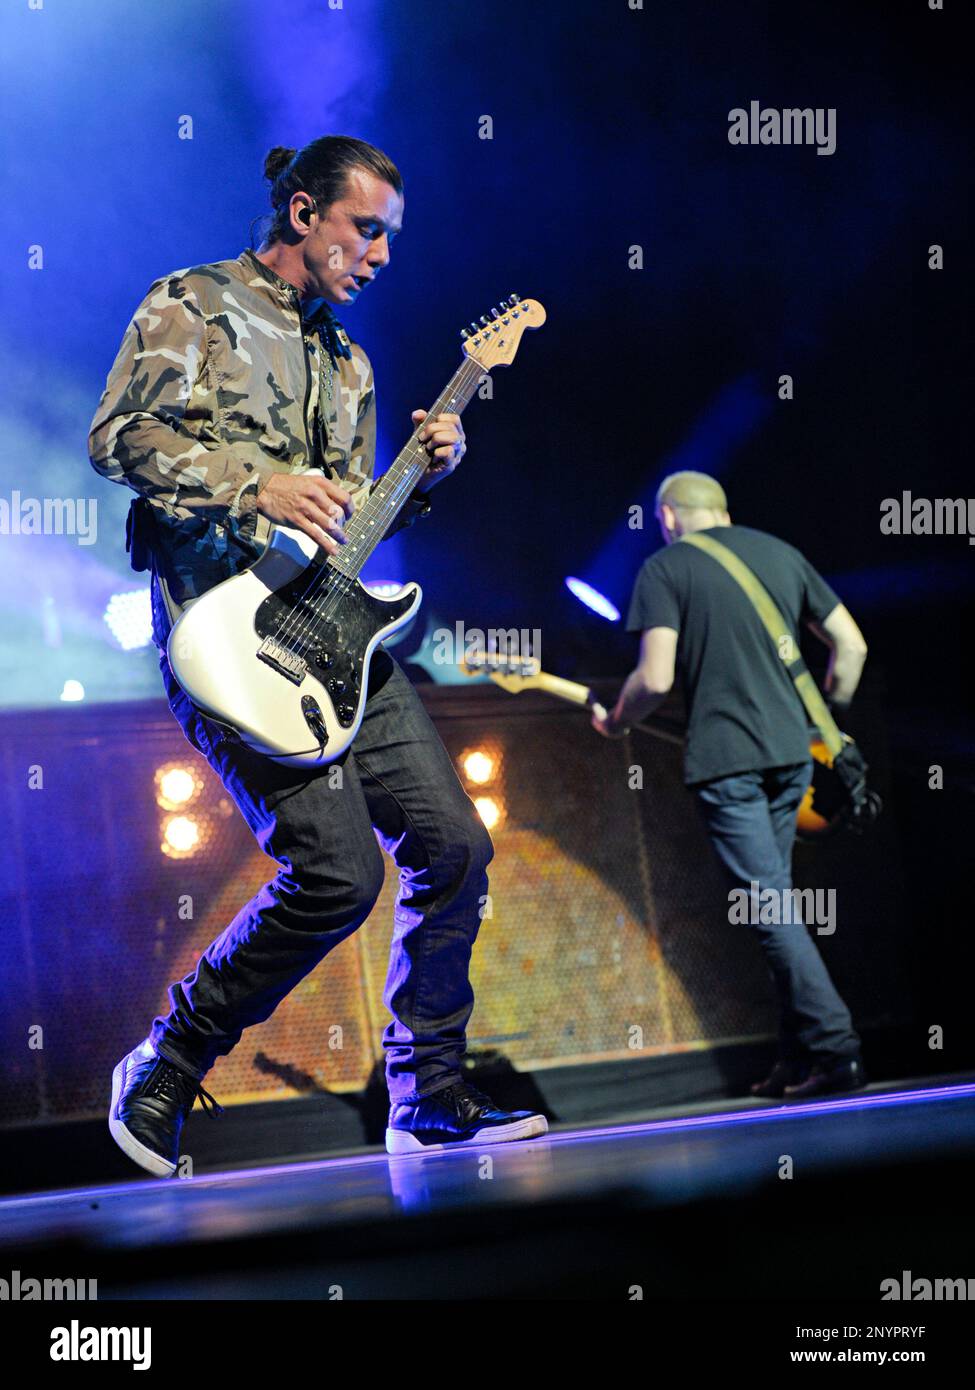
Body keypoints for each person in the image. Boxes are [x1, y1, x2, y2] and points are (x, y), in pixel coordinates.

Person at [89, 135, 547, 1173]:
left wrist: (420, 478)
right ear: (305, 212)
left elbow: (350, 531)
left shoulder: (351, 364)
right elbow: (117, 437)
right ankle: (169, 1060)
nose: (381, 254)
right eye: (367, 228)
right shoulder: (193, 303)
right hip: (225, 632)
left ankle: (429, 1093)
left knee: (456, 848)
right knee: (336, 875)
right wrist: (257, 484)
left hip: (337, 632)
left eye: (391, 236)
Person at [591, 470, 869, 1099]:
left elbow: (655, 679)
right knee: (780, 904)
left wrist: (615, 720)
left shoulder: (666, 570)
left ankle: (835, 1049)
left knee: (769, 907)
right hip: (793, 756)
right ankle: (800, 1059)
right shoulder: (780, 552)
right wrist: (830, 719)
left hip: (729, 764)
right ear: (722, 509)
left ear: (666, 517)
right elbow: (850, 647)